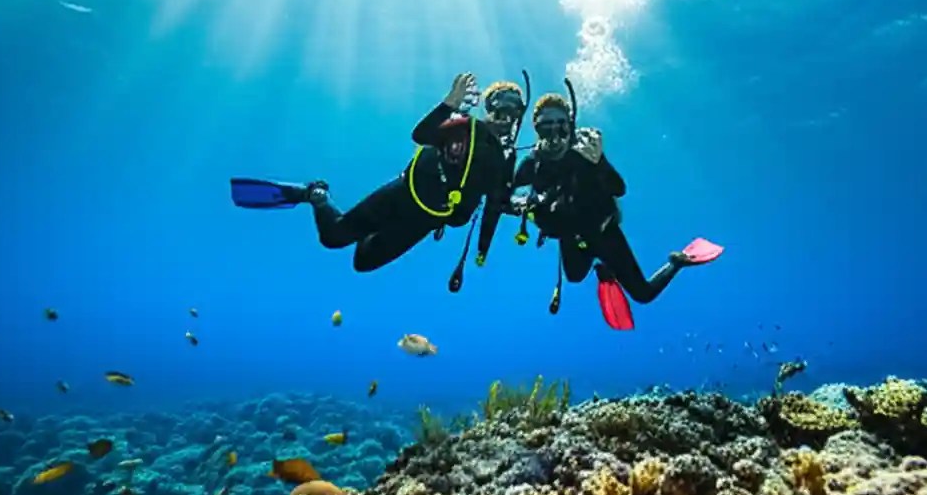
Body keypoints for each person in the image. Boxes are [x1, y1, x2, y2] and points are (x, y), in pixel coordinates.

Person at [231, 73, 525, 273]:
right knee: (333, 238)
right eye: (499, 109)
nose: (505, 118)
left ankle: (367, 226)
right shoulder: (465, 127)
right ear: (488, 108)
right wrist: (449, 104)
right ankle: (314, 194)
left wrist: (483, 244)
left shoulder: (502, 161)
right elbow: (420, 134)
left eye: (513, 113)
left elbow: (493, 207)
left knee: (363, 263)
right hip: (403, 193)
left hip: (425, 220)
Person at [511, 92, 721, 329]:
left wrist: (599, 162)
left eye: (560, 125)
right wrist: (521, 204)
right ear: (536, 129)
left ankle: (676, 262)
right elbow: (503, 193)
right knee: (575, 277)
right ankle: (604, 269)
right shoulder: (532, 164)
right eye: (545, 127)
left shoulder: (585, 152)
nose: (554, 135)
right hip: (570, 235)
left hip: (604, 231)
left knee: (644, 295)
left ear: (570, 125)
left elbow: (619, 188)